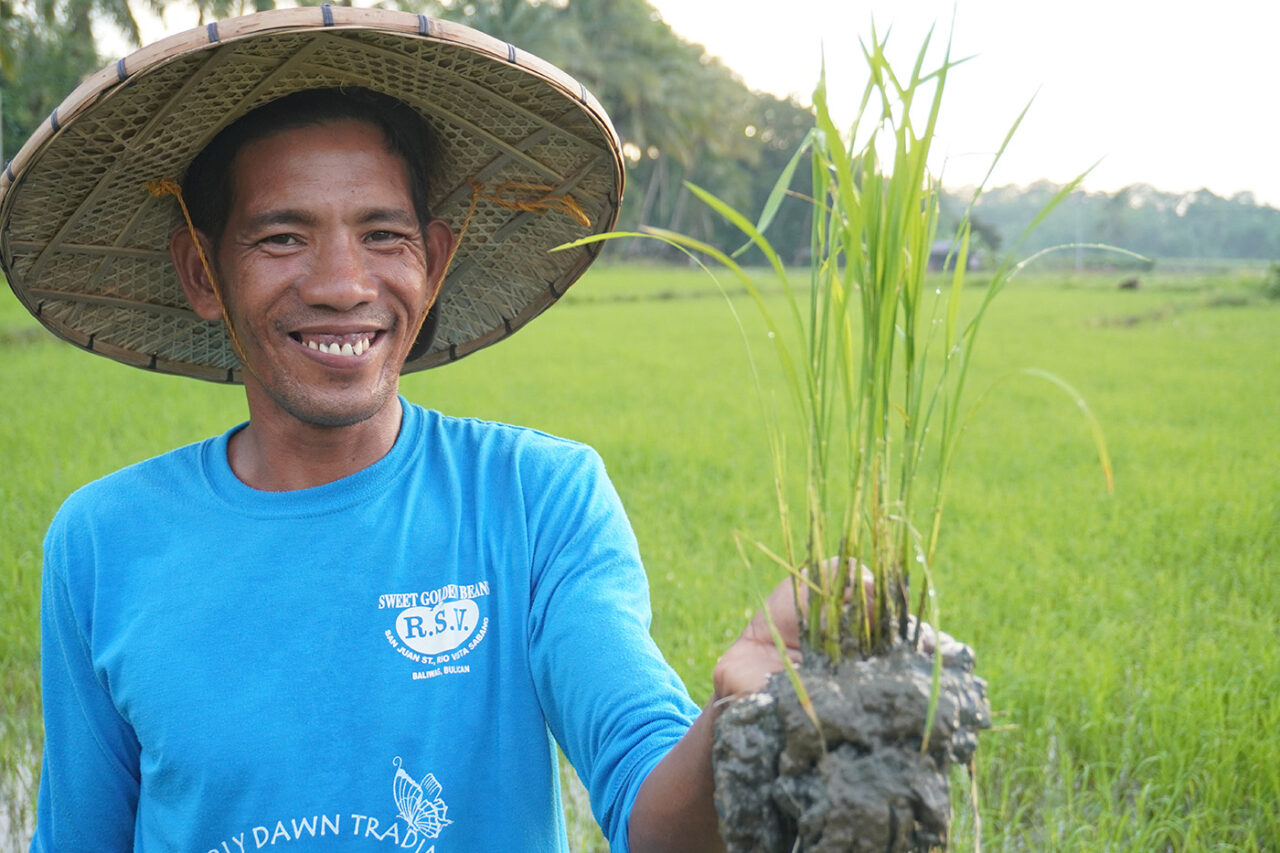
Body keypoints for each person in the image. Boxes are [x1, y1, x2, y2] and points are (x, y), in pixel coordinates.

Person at [1, 8, 800, 852]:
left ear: (436, 259)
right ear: (204, 272)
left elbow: (653, 811)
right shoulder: (102, 542)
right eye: (282, 237)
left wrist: (737, 720)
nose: (344, 284)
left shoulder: (536, 501)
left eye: (384, 235)